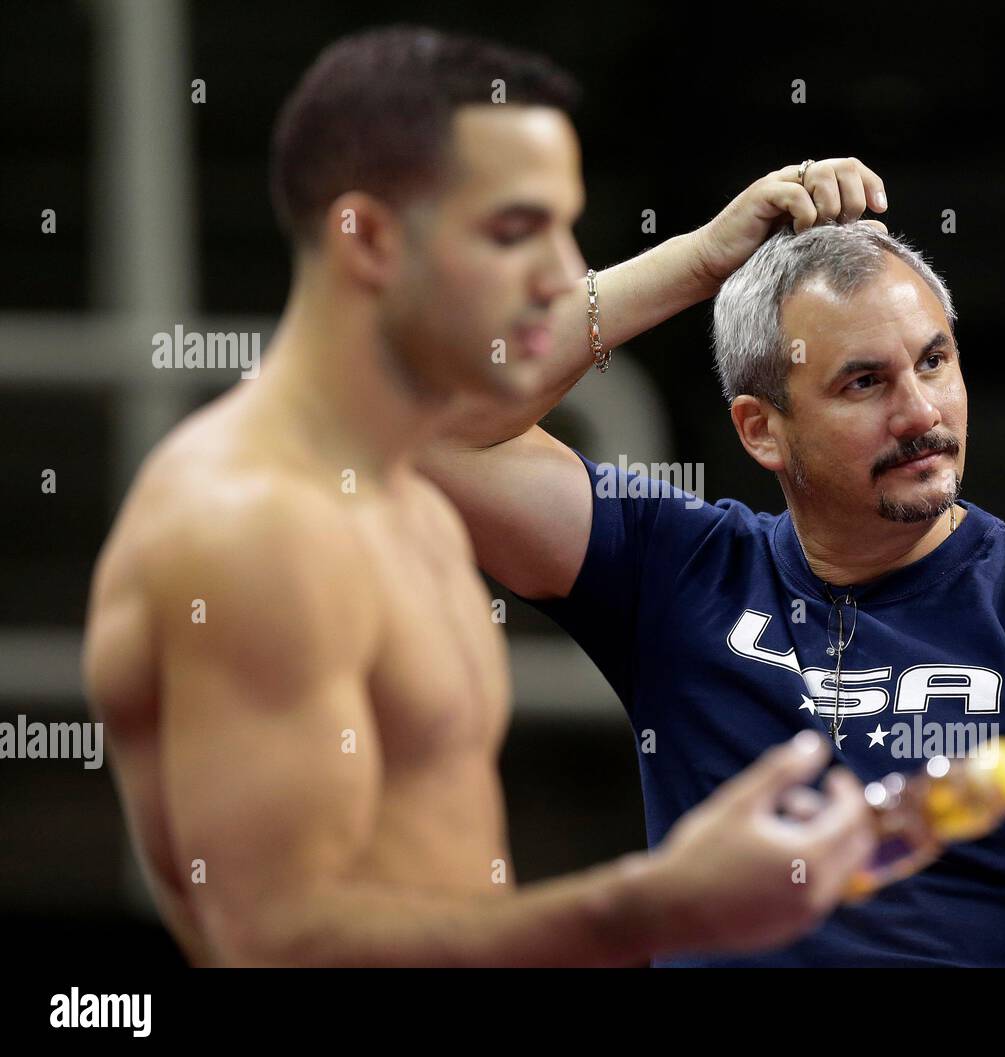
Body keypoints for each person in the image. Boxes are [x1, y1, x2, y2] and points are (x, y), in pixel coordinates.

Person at [81, 27, 901, 967]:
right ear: (372, 239)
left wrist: (699, 258)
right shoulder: (254, 525)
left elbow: (471, 418)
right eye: (515, 230)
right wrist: (662, 905)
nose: (561, 272)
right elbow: (279, 946)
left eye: (566, 224)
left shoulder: (402, 493)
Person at [422, 212, 1005, 967]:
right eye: (864, 383)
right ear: (760, 429)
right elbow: (433, 425)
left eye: (934, 360)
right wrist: (697, 260)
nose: (921, 412)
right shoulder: (676, 570)